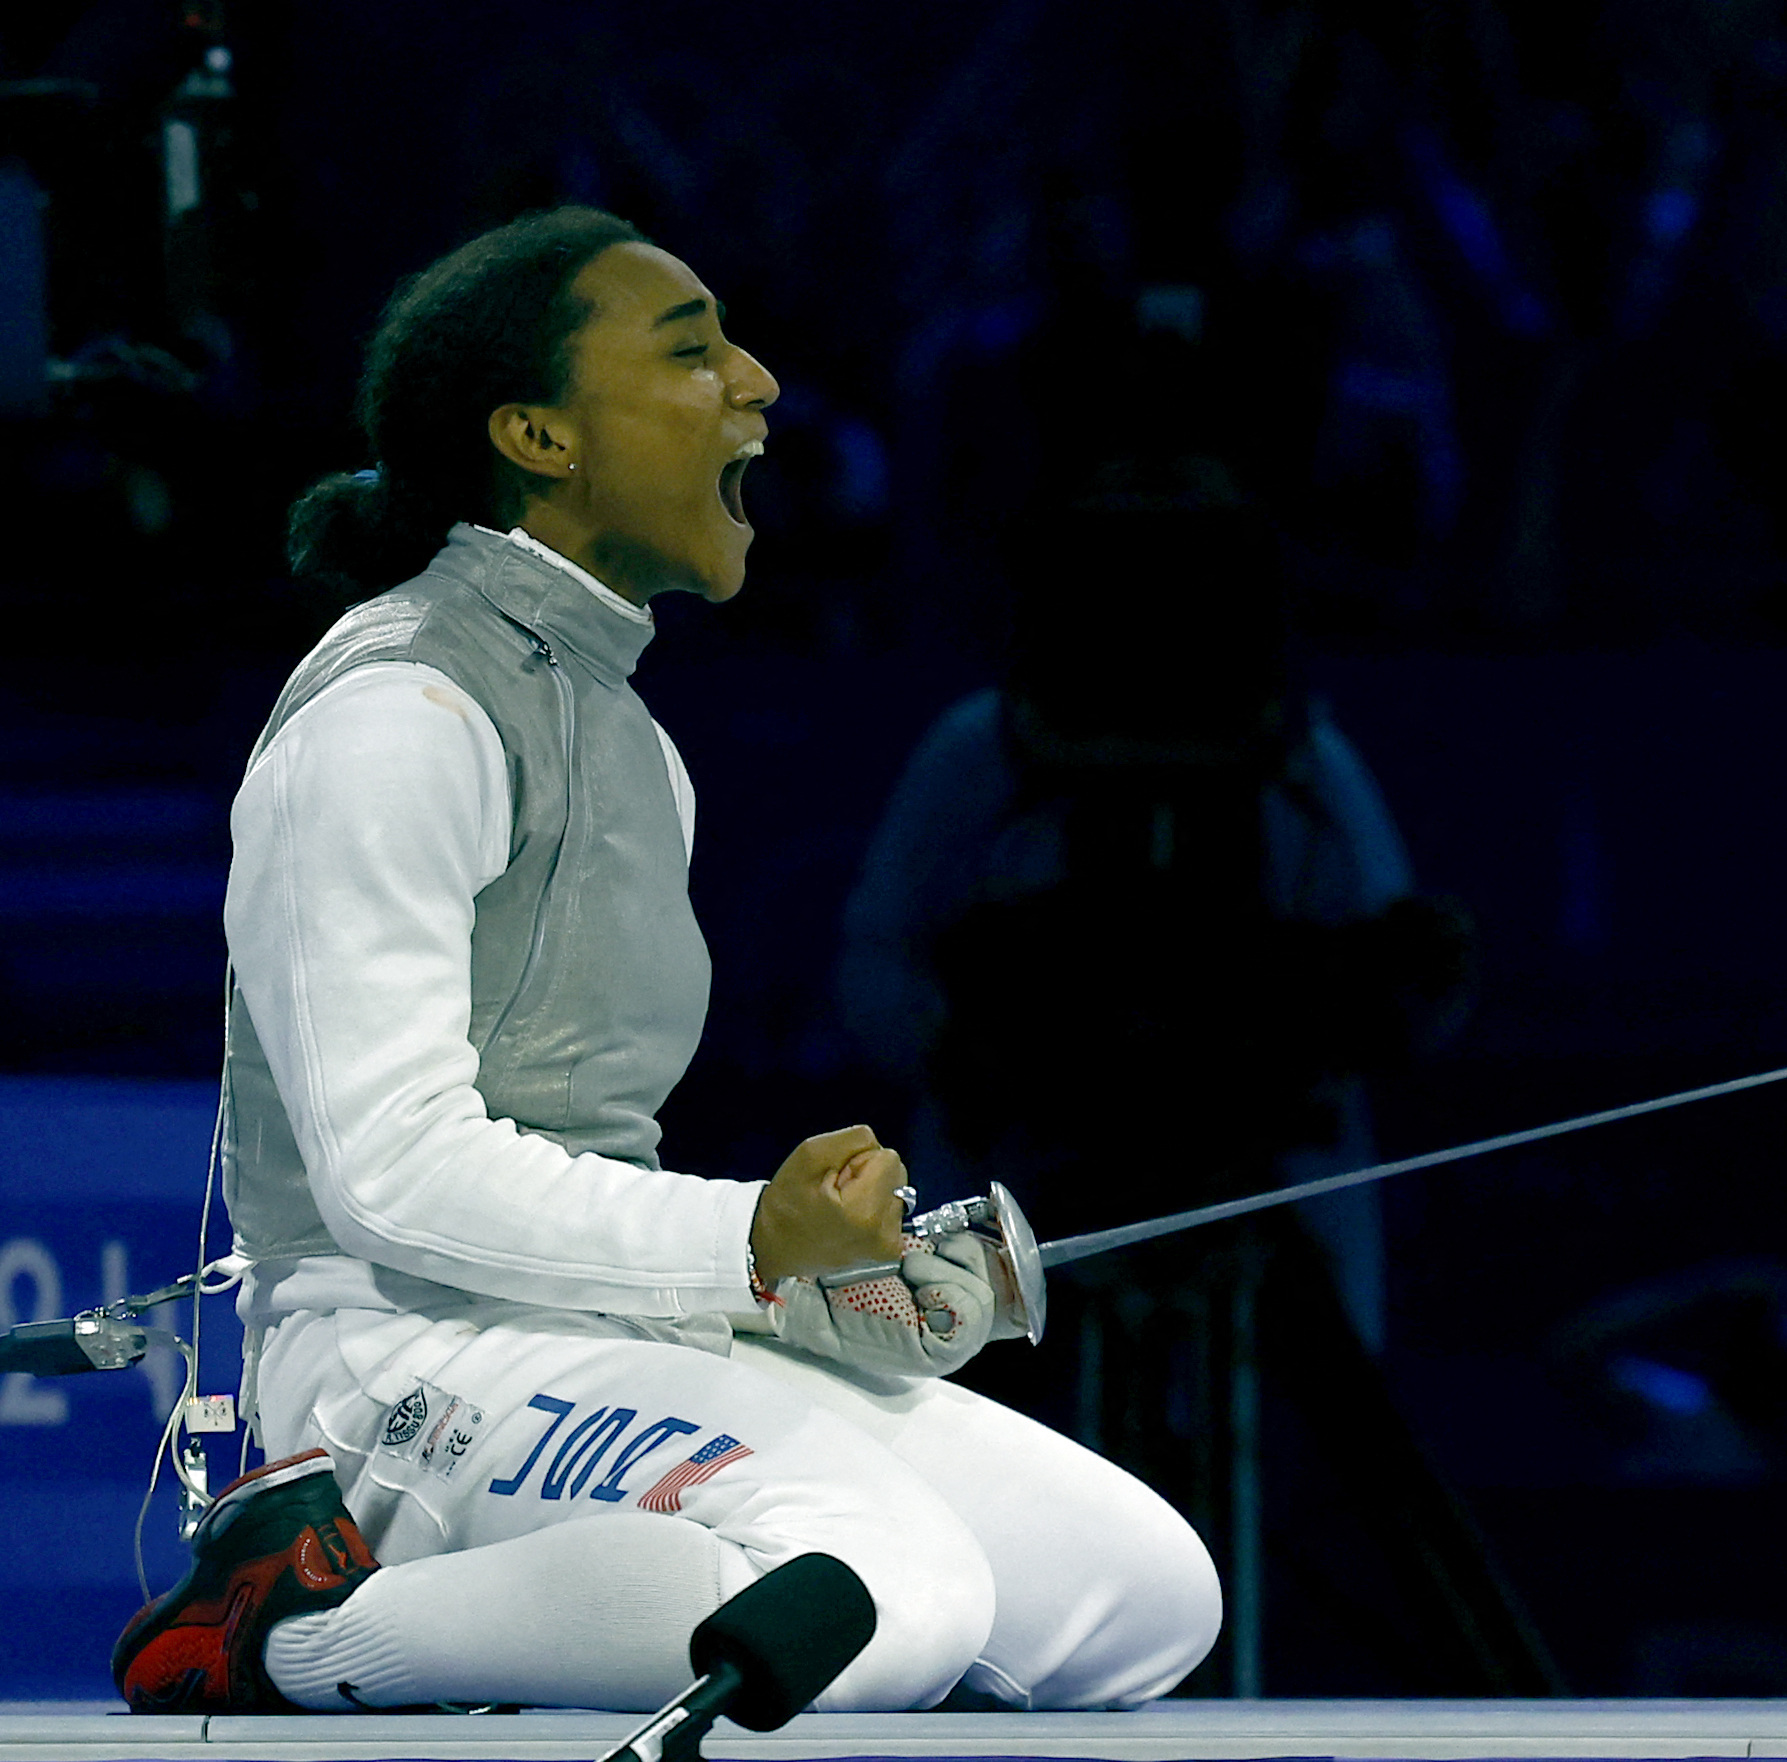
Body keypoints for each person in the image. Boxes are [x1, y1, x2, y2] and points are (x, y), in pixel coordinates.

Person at [110, 207, 1220, 1717]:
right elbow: (389, 1177)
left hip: (591, 1347)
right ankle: (283, 1631)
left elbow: (581, 1165)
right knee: (897, 1576)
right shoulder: (392, 716)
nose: (758, 382)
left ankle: (647, 1614)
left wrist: (789, 1296)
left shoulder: (633, 743)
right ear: (537, 436)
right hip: (385, 1369)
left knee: (1138, 1594)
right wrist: (748, 1246)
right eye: (694, 355)